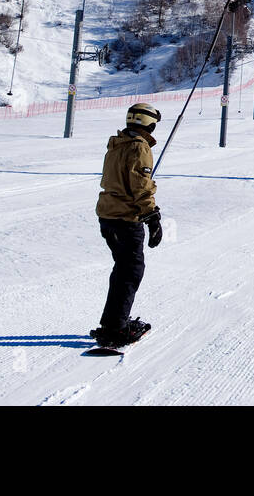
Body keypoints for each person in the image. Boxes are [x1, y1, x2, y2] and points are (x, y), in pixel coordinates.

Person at [91, 102, 162, 349]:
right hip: (124, 218)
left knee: (123, 269)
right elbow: (140, 186)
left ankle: (114, 321)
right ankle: (115, 329)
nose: (154, 129)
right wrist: (152, 215)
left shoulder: (117, 143)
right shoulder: (139, 147)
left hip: (108, 215)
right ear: (147, 123)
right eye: (154, 124)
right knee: (130, 271)